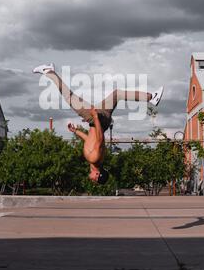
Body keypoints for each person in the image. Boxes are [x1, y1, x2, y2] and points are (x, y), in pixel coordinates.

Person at [33, 63, 164, 185]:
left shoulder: (96, 159)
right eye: (94, 180)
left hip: (102, 120)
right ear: (97, 175)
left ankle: (151, 97)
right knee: (69, 97)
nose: (92, 180)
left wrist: (76, 131)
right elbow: (100, 138)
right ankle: (49, 71)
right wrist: (95, 117)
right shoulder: (94, 158)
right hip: (96, 121)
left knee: (117, 94)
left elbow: (90, 139)